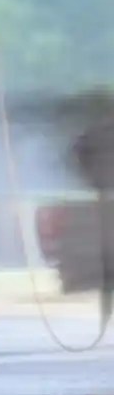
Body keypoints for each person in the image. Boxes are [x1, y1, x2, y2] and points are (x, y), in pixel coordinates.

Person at [71, 87, 114, 324]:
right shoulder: (96, 132)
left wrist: (89, 178)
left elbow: (78, 151)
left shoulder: (93, 132)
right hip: (106, 199)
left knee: (108, 266)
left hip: (104, 197)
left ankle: (105, 315)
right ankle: (105, 315)